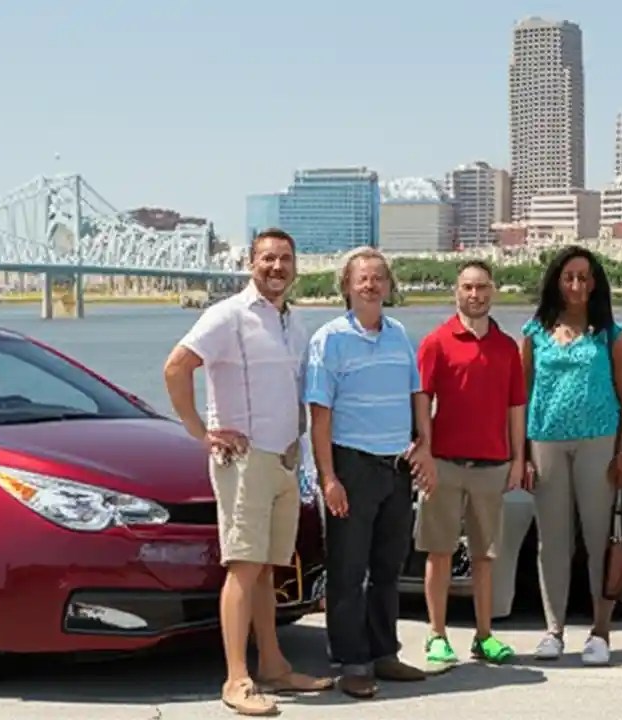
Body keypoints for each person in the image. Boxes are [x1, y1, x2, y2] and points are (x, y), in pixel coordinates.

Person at [162, 228, 333, 716]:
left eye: (284, 259)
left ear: (295, 266)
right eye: (267, 259)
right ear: (250, 264)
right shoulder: (227, 316)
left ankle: (274, 666)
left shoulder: (290, 323)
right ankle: (237, 678)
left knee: (266, 569)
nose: (276, 267)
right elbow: (176, 368)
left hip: (283, 459)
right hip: (245, 460)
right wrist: (202, 431)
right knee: (241, 567)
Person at [304, 246, 437, 699]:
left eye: (379, 277)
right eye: (362, 278)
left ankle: (384, 652)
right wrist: (328, 478)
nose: (371, 285)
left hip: (395, 465)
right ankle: (350, 661)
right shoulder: (329, 339)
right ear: (346, 285)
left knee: (387, 567)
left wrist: (426, 446)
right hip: (352, 464)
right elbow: (318, 416)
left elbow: (418, 395)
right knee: (347, 569)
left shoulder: (400, 335)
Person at [520, 245, 622, 666]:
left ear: (595, 283)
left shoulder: (613, 334)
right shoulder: (534, 332)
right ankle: (553, 630)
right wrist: (522, 456)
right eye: (568, 276)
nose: (576, 285)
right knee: (552, 540)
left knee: (598, 537)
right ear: (556, 281)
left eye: (584, 278)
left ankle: (600, 631)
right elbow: (522, 396)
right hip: (545, 440)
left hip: (599, 442)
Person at [415, 260, 527, 666]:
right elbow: (422, 400)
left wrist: (518, 459)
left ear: (492, 291)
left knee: (485, 556)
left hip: (493, 464)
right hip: (443, 462)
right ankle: (436, 635)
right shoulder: (436, 342)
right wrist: (423, 450)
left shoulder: (507, 347)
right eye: (467, 287)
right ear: (456, 291)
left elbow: (517, 407)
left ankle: (484, 635)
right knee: (439, 551)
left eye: (481, 287)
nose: (475, 295)